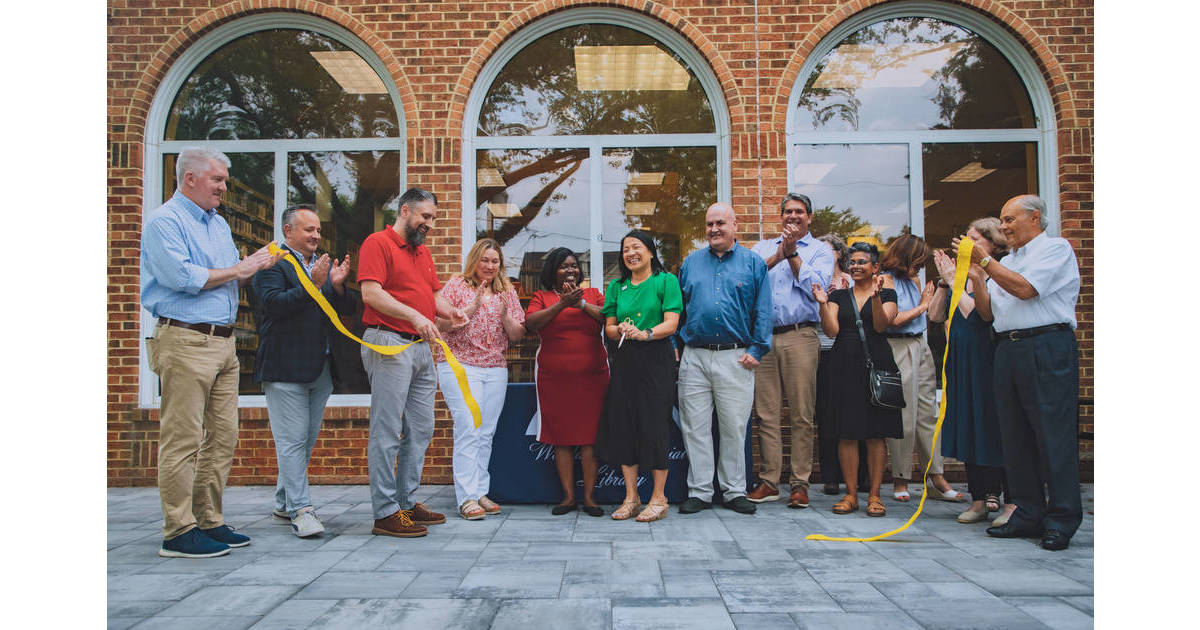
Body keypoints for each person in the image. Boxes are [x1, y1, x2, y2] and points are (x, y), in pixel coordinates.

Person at [141, 146, 282, 558]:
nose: (224, 187)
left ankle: (208, 519)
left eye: (224, 180)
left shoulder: (218, 224)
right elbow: (183, 276)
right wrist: (240, 269)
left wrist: (254, 267)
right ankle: (177, 530)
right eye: (218, 179)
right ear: (190, 179)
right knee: (182, 438)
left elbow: (227, 279)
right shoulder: (164, 222)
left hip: (223, 343)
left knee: (223, 437)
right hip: (184, 340)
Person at [954, 194, 1082, 551]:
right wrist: (978, 277)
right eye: (1002, 219)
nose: (1004, 226)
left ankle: (1061, 518)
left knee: (1051, 435)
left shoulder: (1055, 250)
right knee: (1015, 436)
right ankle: (1027, 512)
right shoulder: (1007, 260)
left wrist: (986, 263)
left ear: (1035, 218)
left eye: (1010, 219)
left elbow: (1026, 290)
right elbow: (986, 313)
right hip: (1007, 348)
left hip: (1045, 345)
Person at [358, 187, 466, 538]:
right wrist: (415, 316)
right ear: (405, 210)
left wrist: (447, 310)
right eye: (425, 216)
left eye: (433, 218)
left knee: (421, 427)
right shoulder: (378, 243)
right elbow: (372, 293)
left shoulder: (422, 252)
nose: (429, 224)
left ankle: (405, 502)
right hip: (389, 341)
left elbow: (432, 294)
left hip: (422, 347)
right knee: (387, 430)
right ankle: (385, 512)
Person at [253, 205, 355, 538]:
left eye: (317, 230)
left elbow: (340, 311)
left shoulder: (320, 266)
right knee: (292, 441)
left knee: (305, 441)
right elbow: (272, 306)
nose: (315, 236)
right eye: (308, 229)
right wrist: (312, 284)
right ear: (287, 230)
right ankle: (302, 509)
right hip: (285, 368)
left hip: (320, 368)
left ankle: (284, 502)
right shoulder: (272, 261)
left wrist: (337, 287)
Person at [676, 203, 773, 516]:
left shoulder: (754, 264)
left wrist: (757, 349)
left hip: (736, 357)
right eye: (709, 224)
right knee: (695, 428)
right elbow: (678, 309)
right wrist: (676, 346)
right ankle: (700, 492)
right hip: (695, 357)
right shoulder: (690, 263)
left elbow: (764, 310)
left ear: (735, 225)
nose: (713, 229)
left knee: (733, 428)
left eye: (720, 223)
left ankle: (733, 491)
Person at [747, 193, 834, 509]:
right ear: (780, 216)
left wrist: (794, 255)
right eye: (787, 212)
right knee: (766, 414)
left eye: (799, 212)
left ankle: (800, 484)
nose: (792, 216)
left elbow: (817, 288)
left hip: (801, 335)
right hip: (764, 338)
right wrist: (778, 256)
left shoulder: (821, 251)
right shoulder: (761, 249)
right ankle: (770, 481)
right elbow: (751, 281)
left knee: (801, 414)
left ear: (809, 217)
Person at [929, 218, 1014, 525]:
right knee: (969, 426)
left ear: (993, 244)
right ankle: (979, 498)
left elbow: (978, 314)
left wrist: (955, 281)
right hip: (960, 360)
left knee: (994, 427)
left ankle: (1009, 498)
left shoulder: (993, 276)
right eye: (966, 237)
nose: (967, 243)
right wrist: (944, 281)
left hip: (987, 358)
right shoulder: (960, 275)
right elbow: (936, 315)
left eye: (976, 238)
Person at [434, 238, 526, 520]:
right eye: (484, 260)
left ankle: (479, 490)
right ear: (475, 260)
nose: (489, 266)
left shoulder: (507, 292)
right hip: (460, 365)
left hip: (495, 367)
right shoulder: (456, 285)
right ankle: (466, 498)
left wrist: (504, 317)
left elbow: (518, 335)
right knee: (467, 428)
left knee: (485, 432)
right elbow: (438, 325)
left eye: (495, 261)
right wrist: (470, 310)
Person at [595, 231, 682, 522]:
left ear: (650, 252)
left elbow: (671, 323)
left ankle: (659, 498)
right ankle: (631, 497)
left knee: (655, 427)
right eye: (625, 249)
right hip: (624, 361)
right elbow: (607, 327)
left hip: (656, 360)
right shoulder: (617, 287)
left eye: (637, 247)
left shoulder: (665, 281)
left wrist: (645, 333)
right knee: (625, 427)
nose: (631, 253)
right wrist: (619, 329)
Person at [812, 242, 902, 517]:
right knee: (846, 432)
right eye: (852, 262)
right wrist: (824, 305)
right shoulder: (839, 295)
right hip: (843, 363)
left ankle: (874, 495)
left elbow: (880, 325)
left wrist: (875, 297)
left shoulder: (887, 293)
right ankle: (850, 495)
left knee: (876, 433)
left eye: (862, 262)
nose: (856, 266)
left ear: (875, 267)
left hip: (876, 361)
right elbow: (831, 330)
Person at [879, 234, 964, 504]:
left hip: (920, 346)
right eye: (917, 260)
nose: (920, 266)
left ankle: (936, 475)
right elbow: (892, 321)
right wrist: (923, 306)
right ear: (905, 257)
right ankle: (901, 477)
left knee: (928, 413)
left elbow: (922, 317)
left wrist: (928, 301)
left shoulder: (914, 280)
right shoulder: (885, 280)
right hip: (897, 347)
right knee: (904, 415)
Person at [525, 247, 609, 517]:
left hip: (593, 376)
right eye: (564, 266)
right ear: (553, 270)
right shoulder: (542, 296)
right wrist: (562, 303)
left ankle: (591, 498)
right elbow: (531, 324)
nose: (571, 270)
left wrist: (582, 304)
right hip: (554, 379)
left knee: (591, 439)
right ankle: (568, 498)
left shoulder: (593, 294)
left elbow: (608, 317)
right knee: (561, 439)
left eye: (574, 265)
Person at [814, 233, 867, 497]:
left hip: (849, 352)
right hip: (819, 352)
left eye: (827, 251)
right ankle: (831, 475)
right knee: (827, 415)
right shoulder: (811, 279)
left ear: (838, 254)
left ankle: (862, 476)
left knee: (857, 412)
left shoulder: (849, 281)